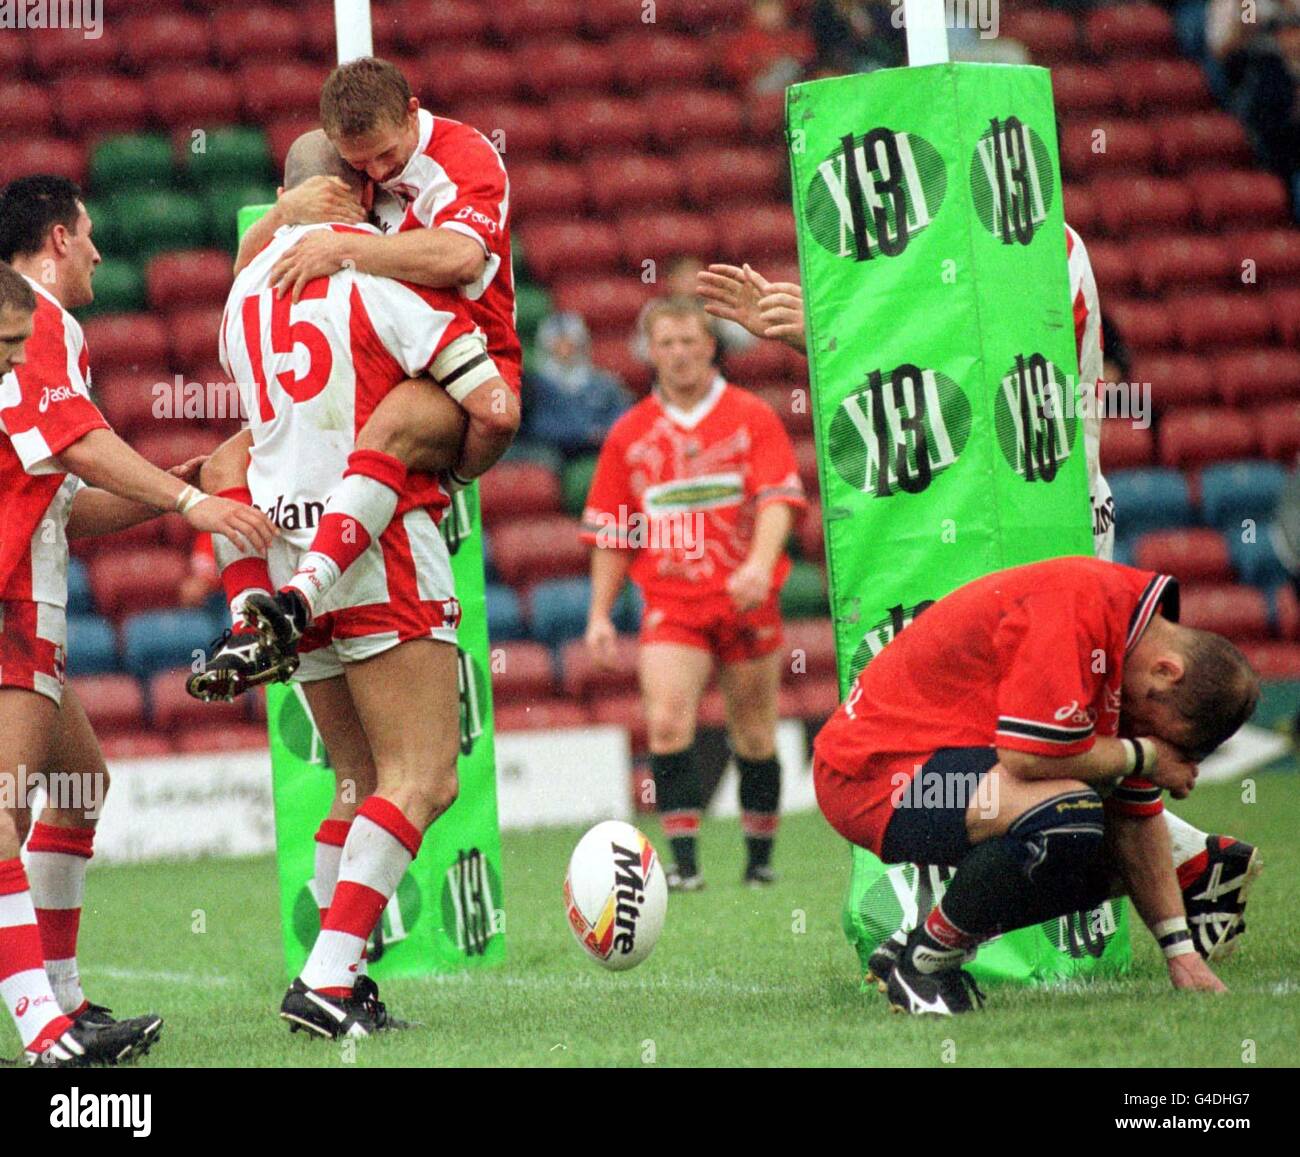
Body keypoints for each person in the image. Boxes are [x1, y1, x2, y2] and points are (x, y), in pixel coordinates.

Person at [698, 237, 1263, 960]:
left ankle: (940, 947)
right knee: (1036, 772)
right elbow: (938, 359)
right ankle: (1190, 866)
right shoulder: (995, 231)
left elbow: (964, 365)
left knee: (1049, 771)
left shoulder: (1024, 236)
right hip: (1023, 510)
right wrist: (831, 335)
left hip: (1036, 513)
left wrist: (831, 333)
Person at [212, 132, 502, 1037]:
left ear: (283, 194)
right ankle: (330, 978)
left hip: (291, 557)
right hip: (376, 543)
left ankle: (337, 975)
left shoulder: (239, 298)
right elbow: (488, 398)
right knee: (424, 777)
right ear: (351, 197)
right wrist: (456, 464)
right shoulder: (381, 280)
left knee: (355, 777)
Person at [0, 177, 275, 1065]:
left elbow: (68, 502)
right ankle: (42, 1028)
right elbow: (79, 445)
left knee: (80, 785)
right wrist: (192, 500)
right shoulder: (35, 318)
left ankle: (65, 1003)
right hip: (9, 604)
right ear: (54, 239)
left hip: (23, 599)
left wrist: (187, 478)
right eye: (88, 237)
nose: (99, 255)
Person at [812, 556, 1259, 1014]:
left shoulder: (1127, 643)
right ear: (1167, 671)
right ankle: (925, 966)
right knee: (1068, 815)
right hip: (875, 777)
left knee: (1097, 838)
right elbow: (1027, 757)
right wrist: (1144, 755)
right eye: (1170, 739)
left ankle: (922, 947)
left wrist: (1179, 953)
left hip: (942, 768)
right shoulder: (1077, 610)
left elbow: (1137, 822)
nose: (1160, 746)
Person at [582, 297, 807, 889]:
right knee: (666, 723)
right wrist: (600, 613)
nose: (680, 354)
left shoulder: (751, 415)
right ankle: (684, 867)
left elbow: (779, 499)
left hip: (745, 598)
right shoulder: (629, 434)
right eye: (667, 344)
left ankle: (760, 862)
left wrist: (760, 564)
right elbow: (612, 531)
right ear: (649, 351)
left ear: (711, 345)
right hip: (672, 603)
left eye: (690, 341)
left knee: (755, 730)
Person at [524, 312, 630, 458]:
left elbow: (622, 416)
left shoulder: (602, 382)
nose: (565, 348)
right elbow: (539, 425)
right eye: (559, 342)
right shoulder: (537, 385)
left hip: (600, 450)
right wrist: (584, 433)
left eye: (569, 341)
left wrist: (605, 431)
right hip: (555, 452)